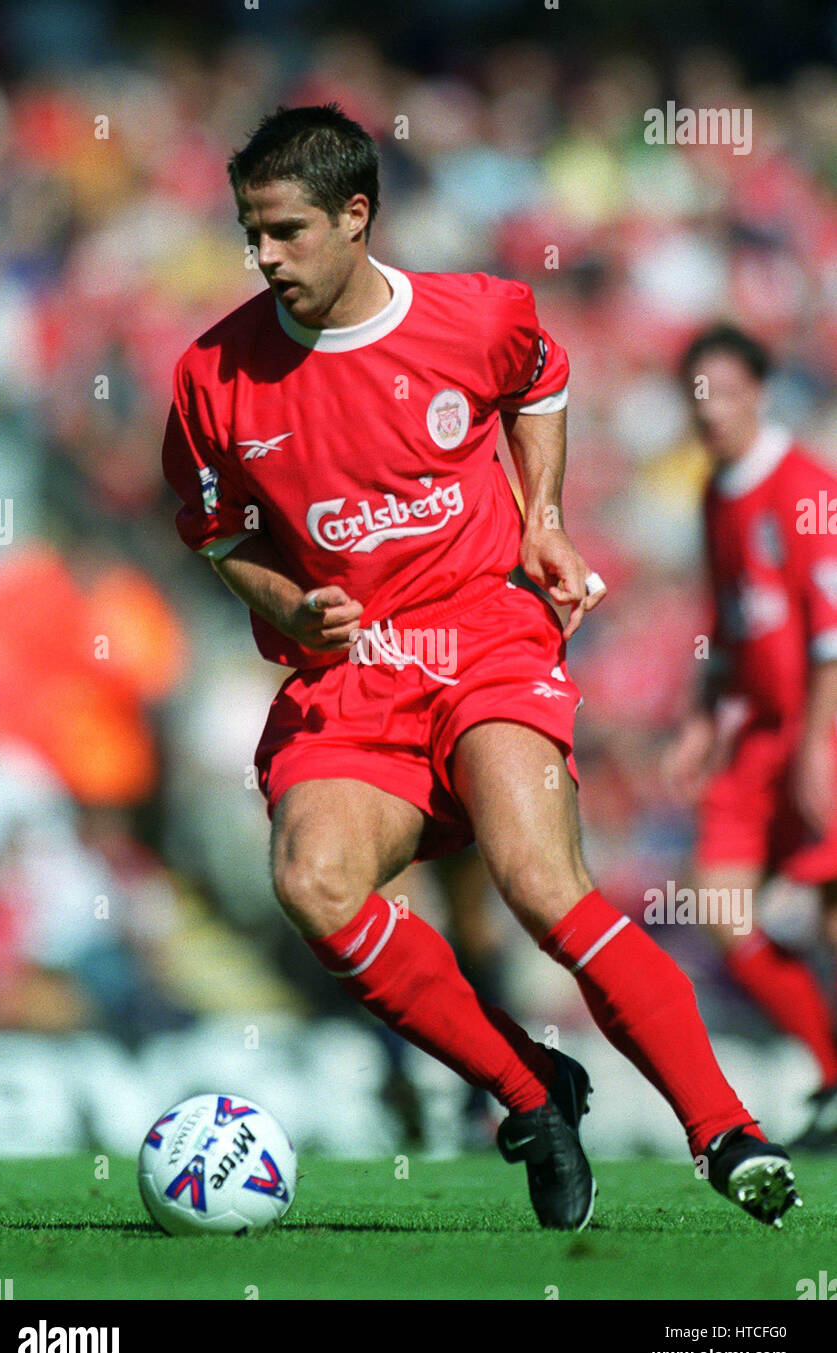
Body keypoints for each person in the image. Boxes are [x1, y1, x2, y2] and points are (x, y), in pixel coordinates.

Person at [162, 105, 799, 1228]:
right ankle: (526, 1092)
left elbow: (540, 377)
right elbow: (217, 534)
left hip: (480, 636)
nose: (261, 256)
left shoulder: (473, 314)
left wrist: (542, 517)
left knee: (540, 885)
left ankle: (724, 1132)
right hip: (350, 674)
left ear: (356, 216)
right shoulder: (211, 375)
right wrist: (284, 604)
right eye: (248, 233)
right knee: (311, 881)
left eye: (283, 231)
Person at [666, 323, 837, 1149]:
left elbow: (832, 629)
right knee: (720, 902)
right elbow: (726, 624)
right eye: (698, 396)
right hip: (759, 738)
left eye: (725, 392)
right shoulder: (714, 492)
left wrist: (817, 743)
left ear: (758, 393)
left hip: (820, 726)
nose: (711, 412)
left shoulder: (804, 487)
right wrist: (700, 725)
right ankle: (831, 1072)